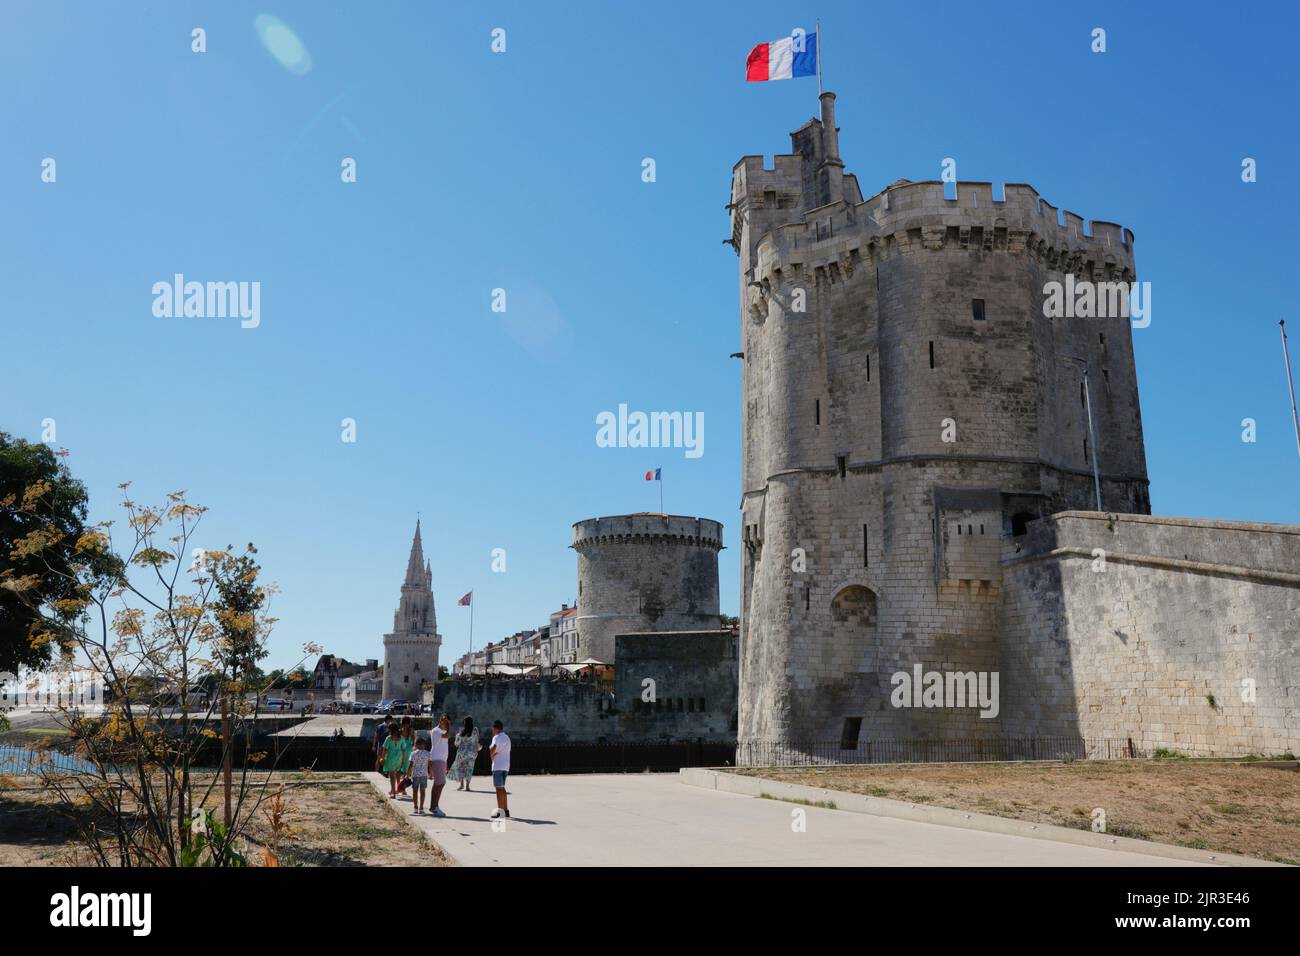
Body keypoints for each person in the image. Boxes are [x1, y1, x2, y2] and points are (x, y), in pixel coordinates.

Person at [426, 714, 452, 817]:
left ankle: (434, 806)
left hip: (442, 760)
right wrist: (448, 725)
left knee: (438, 784)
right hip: (437, 759)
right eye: (445, 721)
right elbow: (448, 735)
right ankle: (434, 807)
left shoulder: (442, 731)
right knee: (440, 783)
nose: (446, 724)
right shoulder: (436, 731)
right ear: (441, 721)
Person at [448, 716, 479, 791]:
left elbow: (456, 744)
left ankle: (461, 785)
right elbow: (476, 742)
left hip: (461, 753)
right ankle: (467, 786)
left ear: (464, 723)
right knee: (469, 769)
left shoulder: (461, 732)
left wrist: (457, 737)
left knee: (460, 768)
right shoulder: (475, 731)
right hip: (471, 753)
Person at [407, 735, 433, 815]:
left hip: (415, 775)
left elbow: (410, 765)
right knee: (423, 791)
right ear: (424, 745)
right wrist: (431, 774)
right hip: (424, 775)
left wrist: (408, 774)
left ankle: (415, 807)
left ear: (415, 745)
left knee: (415, 791)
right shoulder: (428, 753)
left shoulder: (413, 753)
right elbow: (430, 765)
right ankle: (421, 808)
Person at [490, 719, 511, 819]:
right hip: (506, 765)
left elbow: (493, 748)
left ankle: (500, 811)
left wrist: (491, 755)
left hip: (498, 765)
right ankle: (506, 810)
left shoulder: (496, 737)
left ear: (495, 728)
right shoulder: (507, 737)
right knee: (502, 787)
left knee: (498, 789)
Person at [381, 721, 406, 797]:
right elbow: (404, 749)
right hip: (399, 758)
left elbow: (384, 749)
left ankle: (393, 793)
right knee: (395, 774)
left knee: (392, 776)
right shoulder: (401, 738)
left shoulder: (389, 738)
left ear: (390, 730)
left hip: (391, 758)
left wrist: (382, 758)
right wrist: (403, 760)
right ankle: (392, 790)